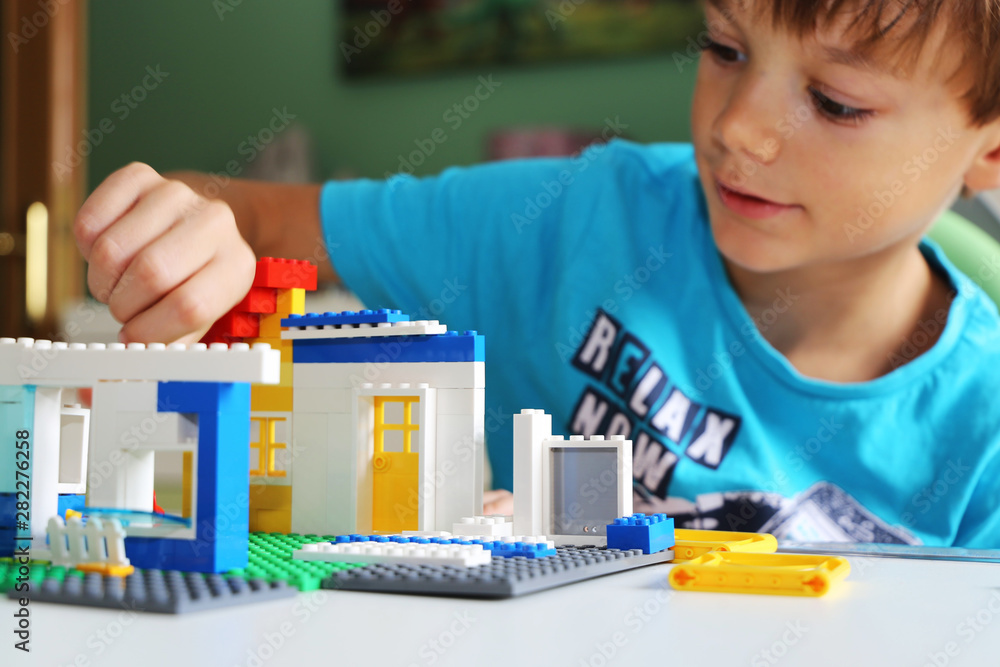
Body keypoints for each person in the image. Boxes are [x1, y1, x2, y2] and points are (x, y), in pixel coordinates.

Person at [74, 0, 1000, 547]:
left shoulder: (983, 430)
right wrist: (183, 237)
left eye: (834, 102)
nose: (738, 128)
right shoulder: (575, 218)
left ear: (989, 151)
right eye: (724, 47)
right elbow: (243, 210)